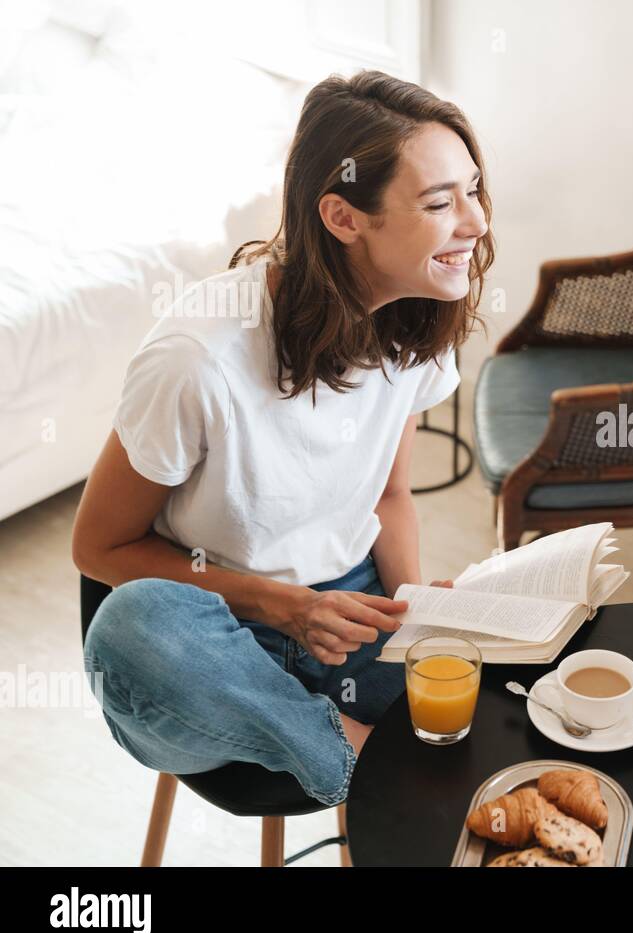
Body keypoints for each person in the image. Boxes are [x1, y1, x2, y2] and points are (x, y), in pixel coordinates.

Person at [72, 70, 492, 806]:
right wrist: (278, 605)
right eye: (439, 202)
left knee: (510, 695)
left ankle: (343, 752)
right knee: (131, 630)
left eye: (473, 189)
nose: (476, 221)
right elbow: (99, 548)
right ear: (343, 217)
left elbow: (390, 495)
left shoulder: (418, 325)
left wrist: (418, 607)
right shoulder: (199, 356)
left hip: (352, 613)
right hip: (214, 634)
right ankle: (352, 760)